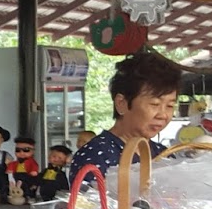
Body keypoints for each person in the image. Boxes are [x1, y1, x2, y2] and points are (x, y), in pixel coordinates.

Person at [69, 53, 178, 182]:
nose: (163, 115)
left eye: (170, 106)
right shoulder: (96, 154)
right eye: (155, 104)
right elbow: (88, 201)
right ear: (122, 103)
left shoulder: (164, 154)